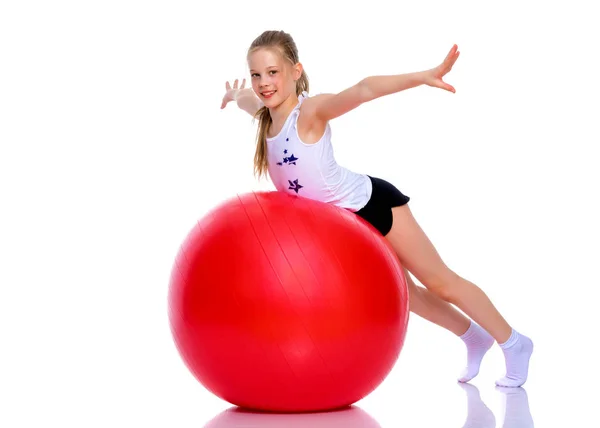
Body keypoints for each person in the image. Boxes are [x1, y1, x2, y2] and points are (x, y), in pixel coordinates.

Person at [220, 30, 533, 387]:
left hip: (372, 207)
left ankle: (515, 343)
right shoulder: (264, 114)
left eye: (273, 72)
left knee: (440, 282)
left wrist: (422, 77)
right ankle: (475, 337)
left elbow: (364, 89)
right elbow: (247, 99)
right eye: (257, 74)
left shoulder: (310, 112)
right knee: (409, 295)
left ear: (295, 71)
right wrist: (234, 94)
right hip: (341, 230)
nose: (264, 83)